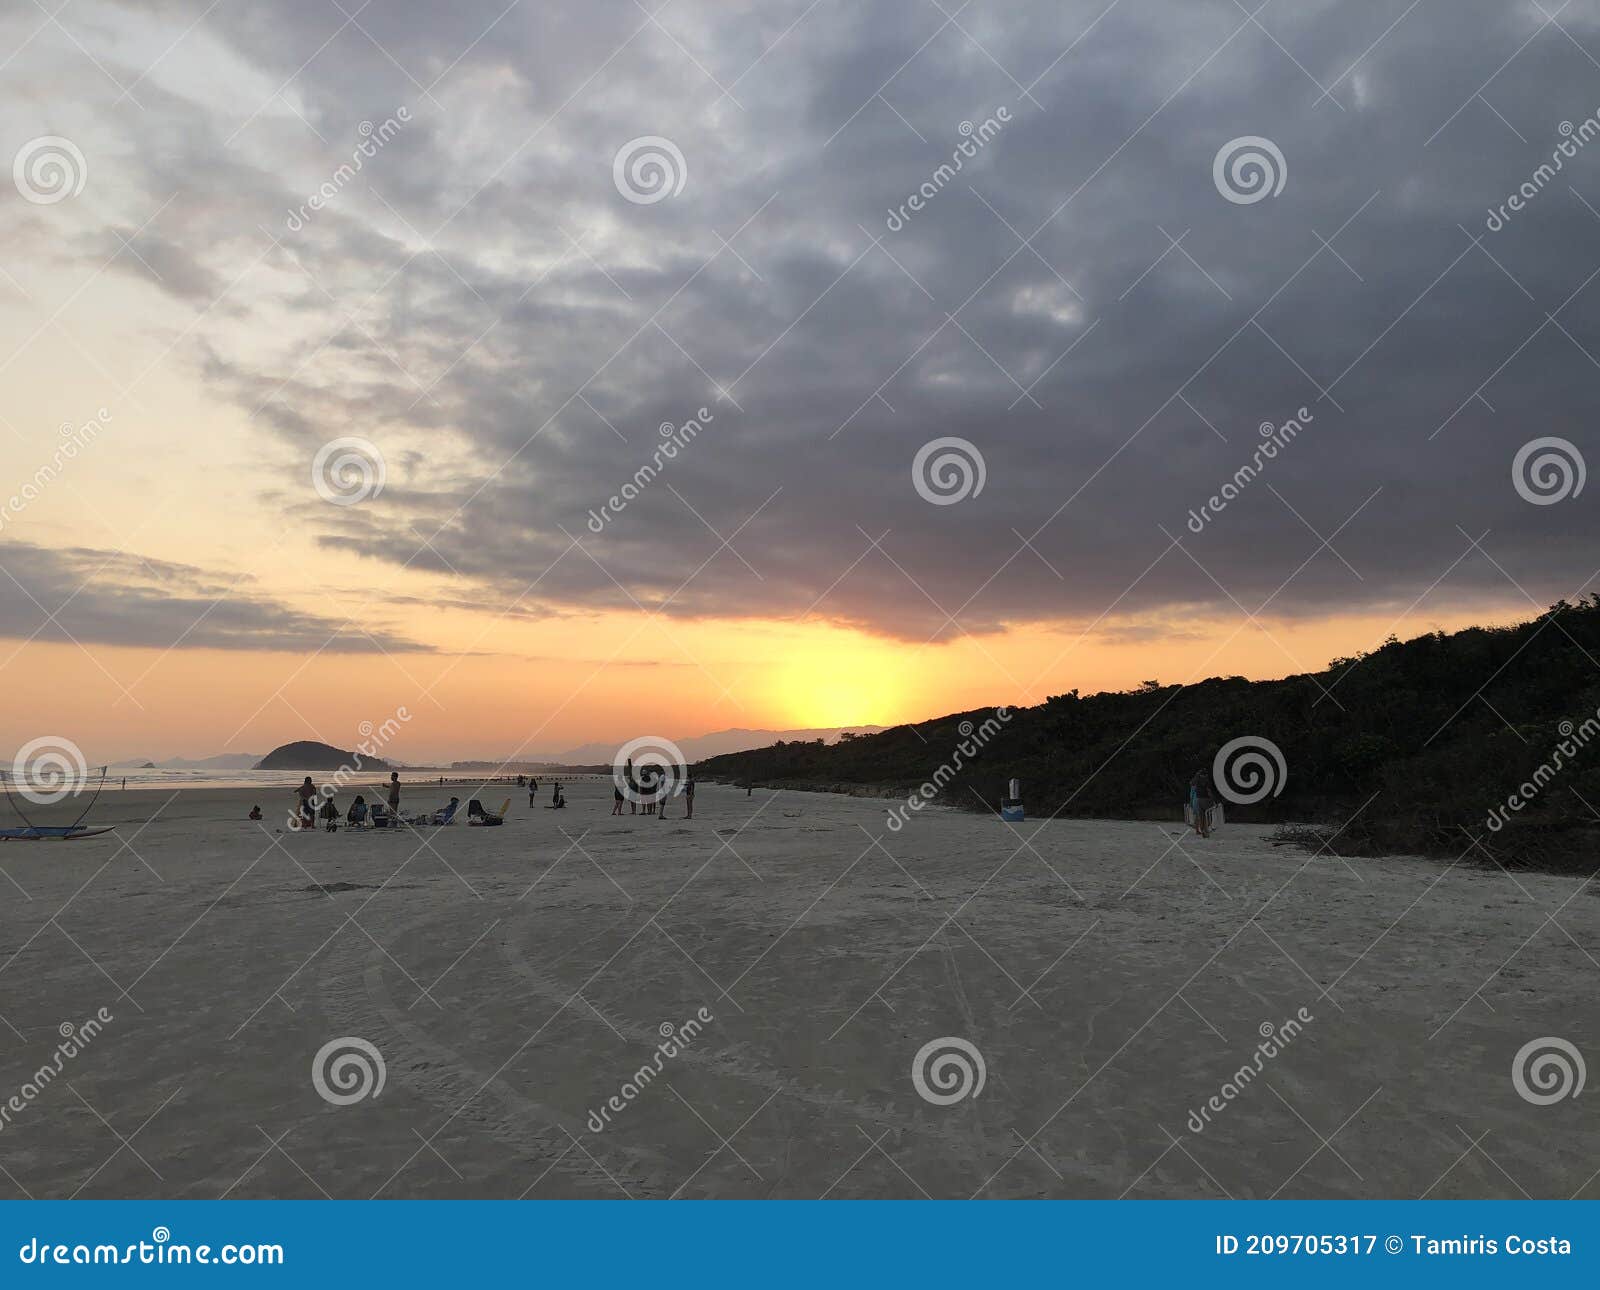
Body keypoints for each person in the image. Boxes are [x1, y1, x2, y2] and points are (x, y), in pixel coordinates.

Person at [1189, 769, 1216, 839]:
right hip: (1206, 799)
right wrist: (1213, 800)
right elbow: (1209, 790)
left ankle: (1203, 831)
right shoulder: (1207, 780)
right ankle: (1205, 831)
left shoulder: (1197, 780)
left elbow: (1191, 783)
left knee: (1201, 817)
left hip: (1199, 799)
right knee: (1207, 816)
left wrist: (1197, 775)